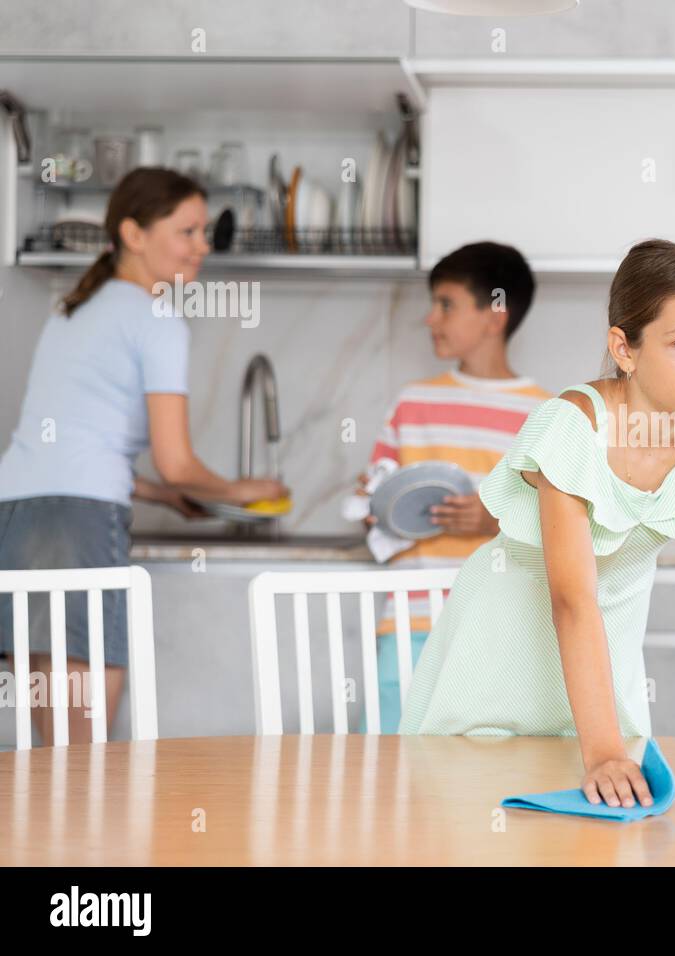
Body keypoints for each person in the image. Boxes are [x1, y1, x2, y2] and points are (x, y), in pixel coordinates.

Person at [399, 239, 675, 806]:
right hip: (501, 663)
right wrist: (602, 750)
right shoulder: (571, 428)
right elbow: (573, 598)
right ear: (624, 349)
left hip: (604, 679)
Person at [0, 167, 288, 745]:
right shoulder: (157, 316)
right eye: (188, 231)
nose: (203, 247)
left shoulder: (71, 311)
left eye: (206, 232)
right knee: (82, 754)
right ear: (133, 233)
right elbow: (176, 461)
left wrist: (167, 498)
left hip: (15, 516)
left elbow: (76, 446)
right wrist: (241, 491)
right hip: (79, 526)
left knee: (43, 748)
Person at [353, 242, 550, 733]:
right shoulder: (413, 403)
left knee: (482, 767)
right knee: (383, 759)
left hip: (499, 627)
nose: (430, 319)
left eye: (446, 304)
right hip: (410, 621)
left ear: (495, 313)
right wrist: (376, 502)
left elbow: (559, 525)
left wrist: (493, 519)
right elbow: (369, 511)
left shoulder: (545, 415)